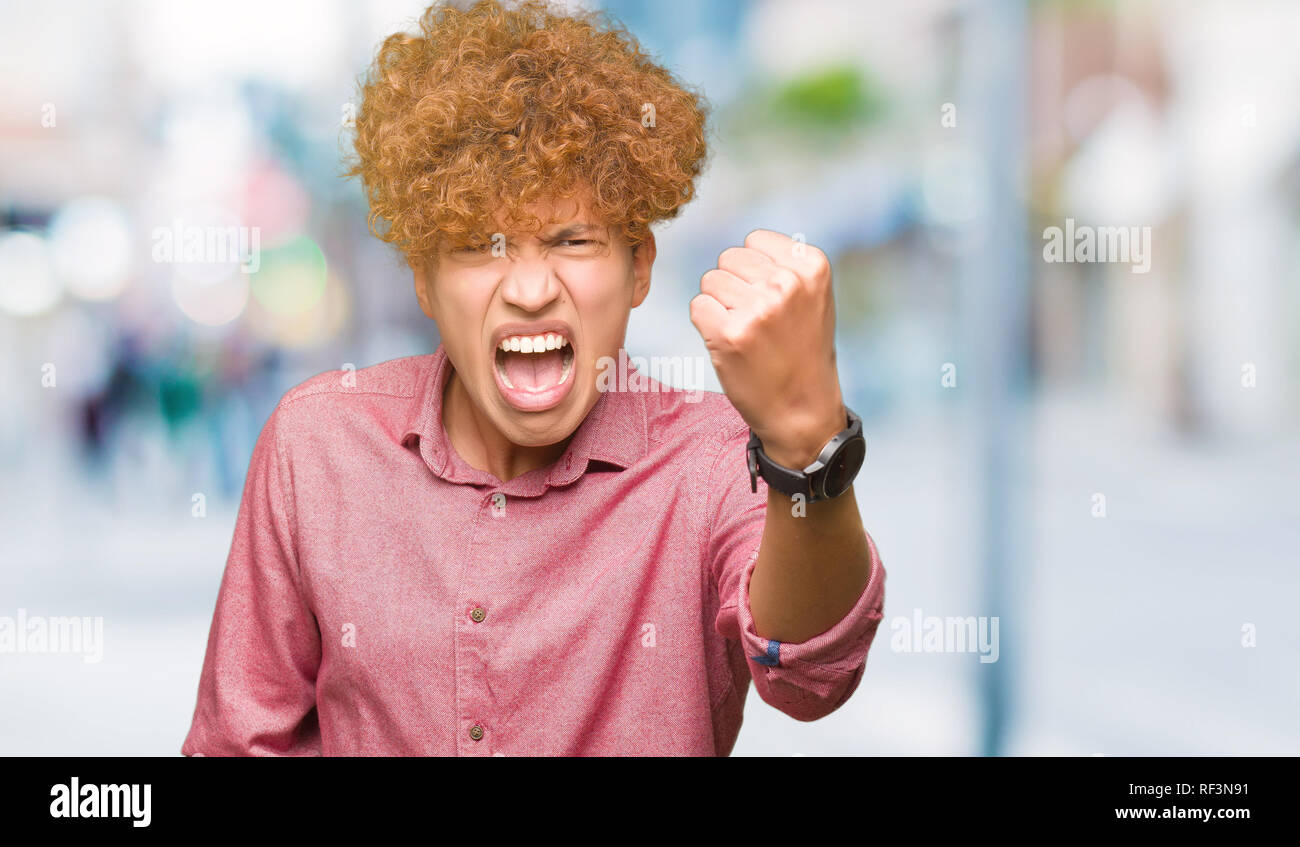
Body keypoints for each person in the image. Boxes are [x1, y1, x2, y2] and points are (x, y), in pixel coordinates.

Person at [181, 0, 886, 756]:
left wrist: (807, 438)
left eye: (572, 239)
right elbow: (238, 742)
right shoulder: (317, 443)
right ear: (423, 279)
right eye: (481, 246)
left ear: (639, 266)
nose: (528, 288)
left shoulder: (715, 461)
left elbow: (811, 674)